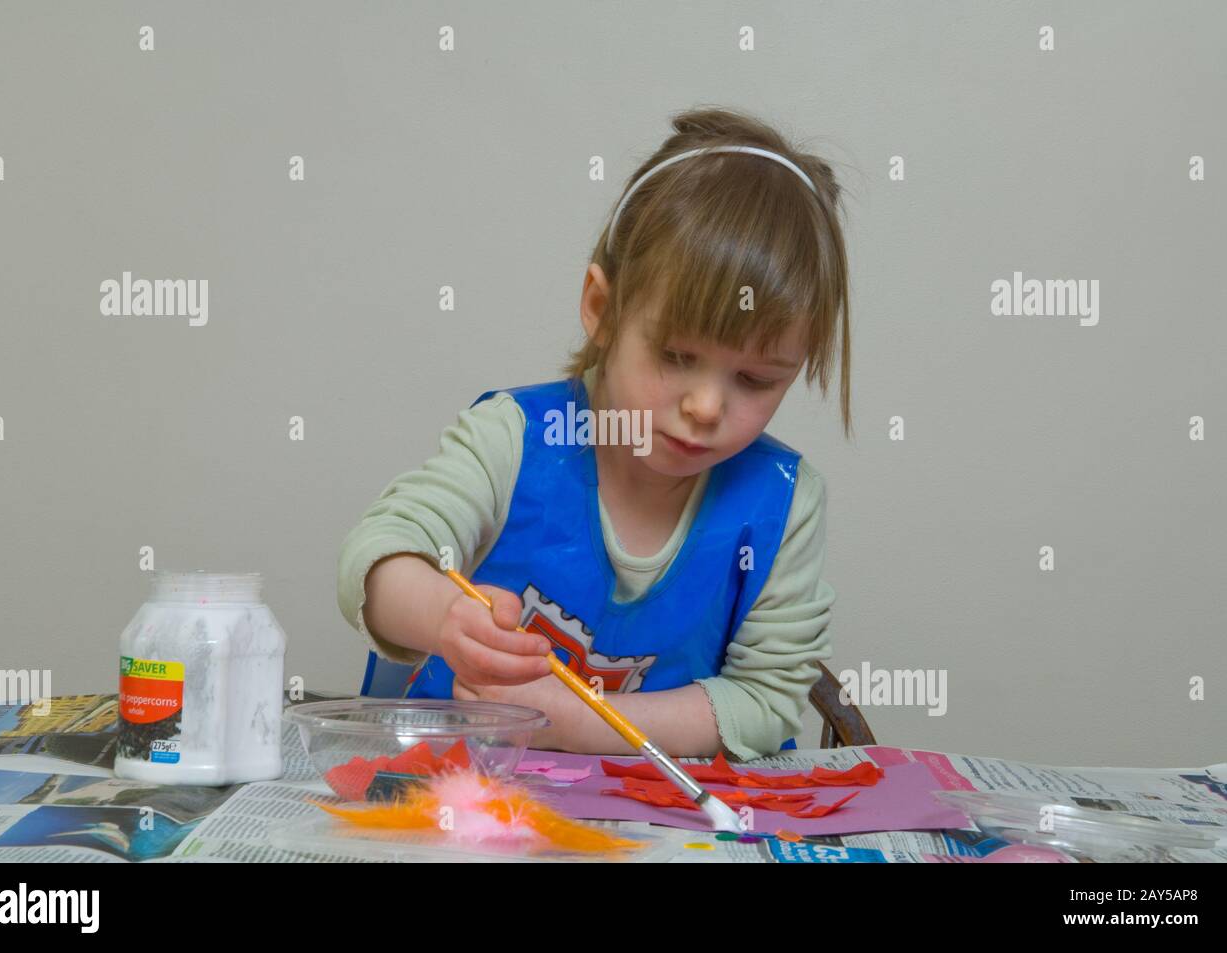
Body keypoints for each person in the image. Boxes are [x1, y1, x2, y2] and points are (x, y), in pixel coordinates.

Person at [337, 106, 853, 760]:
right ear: (602, 310)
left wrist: (581, 720)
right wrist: (440, 614)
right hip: (455, 803)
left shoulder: (785, 504)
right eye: (675, 356)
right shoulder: (515, 440)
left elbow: (766, 701)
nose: (704, 406)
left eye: (755, 380)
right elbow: (377, 556)